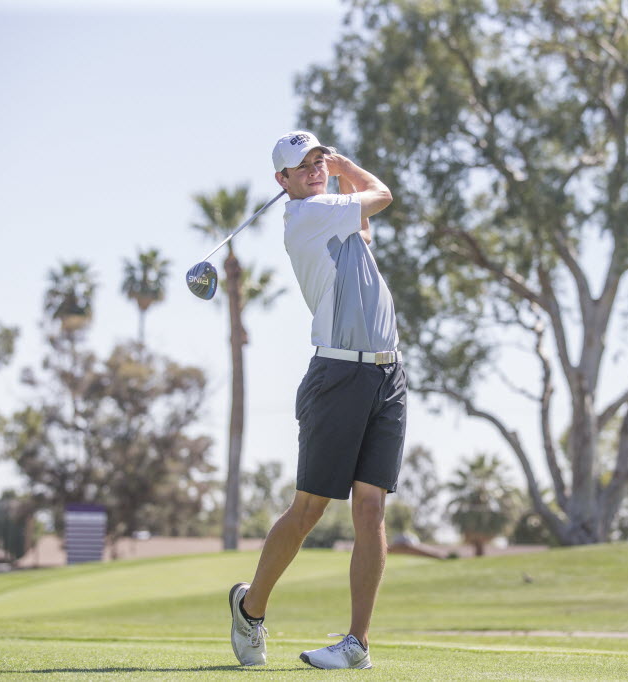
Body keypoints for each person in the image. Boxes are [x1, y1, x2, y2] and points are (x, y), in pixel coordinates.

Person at [228, 131, 407, 670]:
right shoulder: (308, 215)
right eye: (302, 166)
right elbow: (382, 195)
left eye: (318, 161)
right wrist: (344, 164)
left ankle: (357, 644)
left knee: (371, 508)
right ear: (281, 181)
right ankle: (250, 610)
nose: (314, 170)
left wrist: (336, 171)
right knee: (310, 508)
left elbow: (365, 223)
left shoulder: (338, 219)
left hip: (388, 373)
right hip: (338, 374)